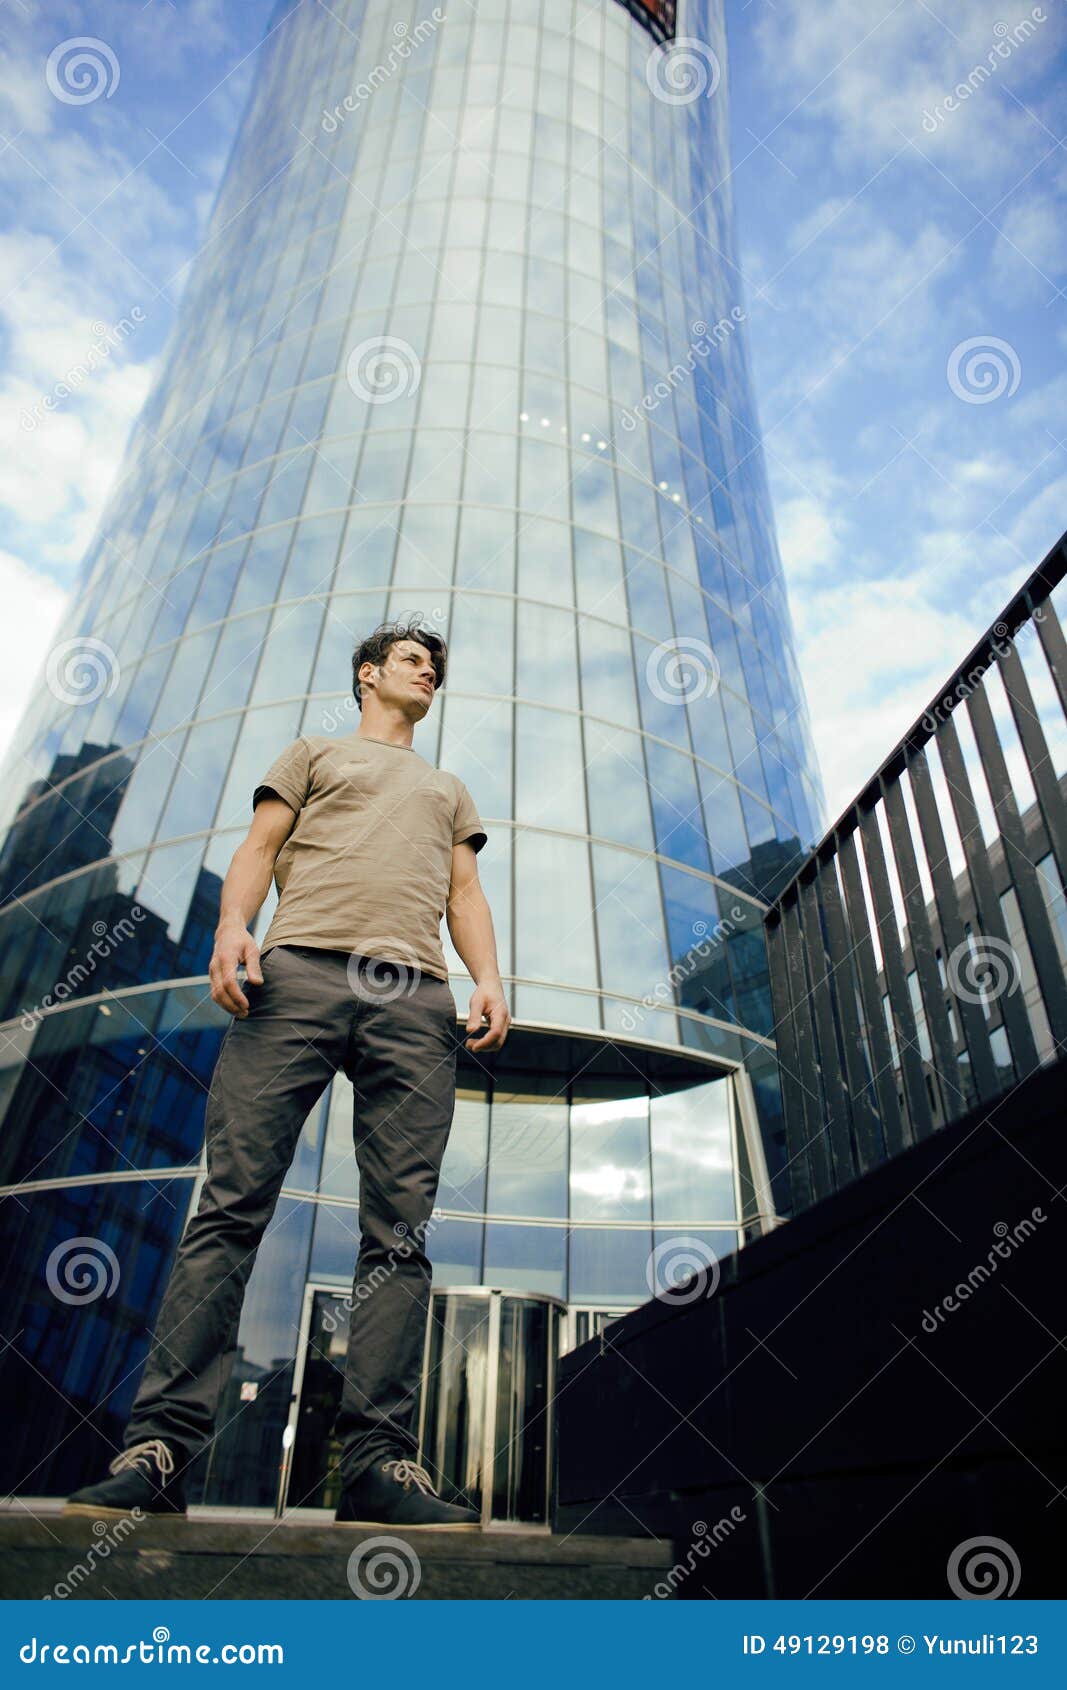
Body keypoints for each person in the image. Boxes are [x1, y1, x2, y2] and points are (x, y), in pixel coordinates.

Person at [64, 617, 510, 1529]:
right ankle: (159, 1450)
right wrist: (234, 928)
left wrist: (490, 980)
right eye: (413, 660)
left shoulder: (447, 790)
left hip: (416, 998)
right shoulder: (311, 753)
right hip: (299, 972)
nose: (429, 672)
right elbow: (259, 849)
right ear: (366, 675)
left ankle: (378, 1466)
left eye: (437, 667)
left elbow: (465, 894)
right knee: (230, 1207)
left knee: (398, 1234)